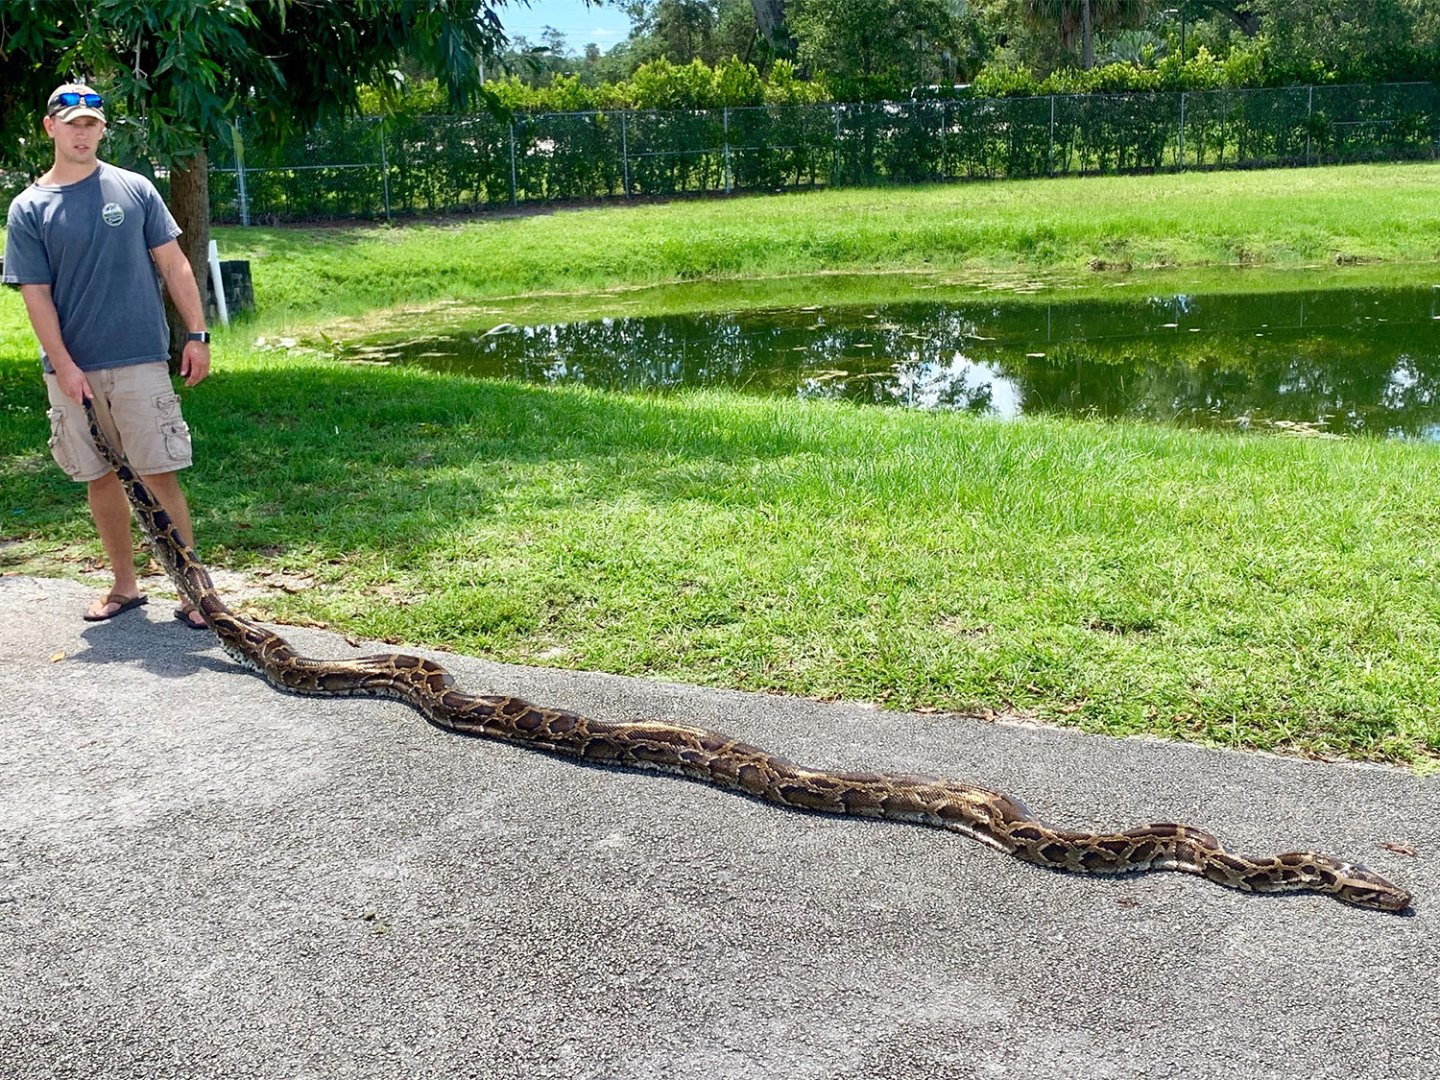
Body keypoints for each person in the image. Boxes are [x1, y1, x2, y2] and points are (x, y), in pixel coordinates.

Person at [3, 83, 212, 628]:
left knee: (158, 473)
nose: (81, 132)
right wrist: (65, 366)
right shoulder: (29, 207)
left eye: (91, 124)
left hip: (141, 360)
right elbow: (36, 295)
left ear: (101, 130)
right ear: (50, 127)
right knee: (100, 478)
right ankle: (125, 585)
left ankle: (194, 591)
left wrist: (197, 334)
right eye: (71, 123)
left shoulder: (135, 188)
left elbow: (175, 265)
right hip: (72, 371)